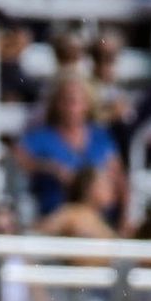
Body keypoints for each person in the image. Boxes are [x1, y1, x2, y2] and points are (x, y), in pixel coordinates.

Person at [18, 72, 122, 219]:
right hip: (57, 214)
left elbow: (118, 178)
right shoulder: (41, 137)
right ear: (56, 103)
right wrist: (51, 168)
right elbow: (18, 161)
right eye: (65, 100)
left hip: (99, 215)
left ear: (87, 104)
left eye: (76, 101)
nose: (70, 107)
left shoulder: (100, 137)